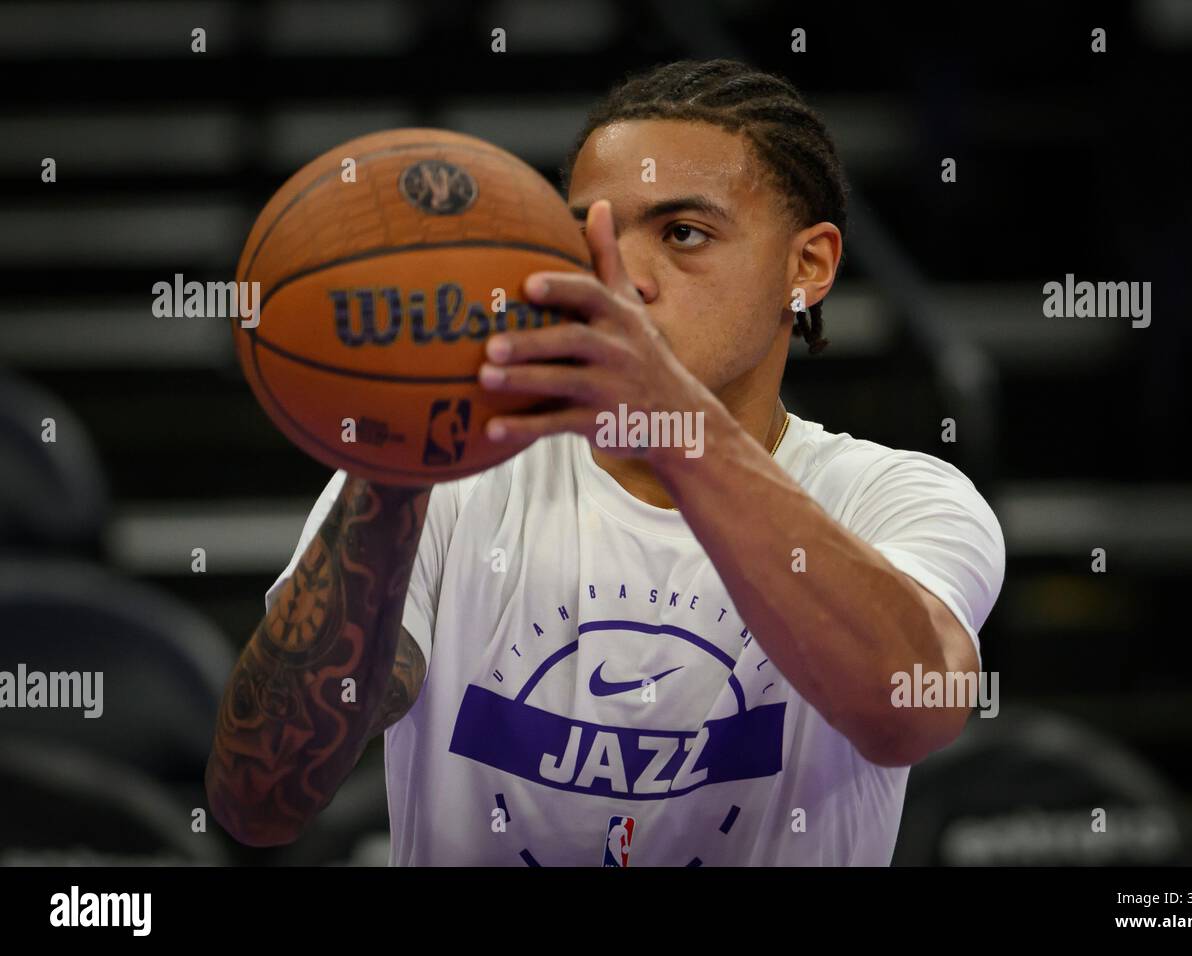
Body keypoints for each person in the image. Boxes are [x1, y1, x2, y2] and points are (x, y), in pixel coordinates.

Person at [205, 58, 1005, 866]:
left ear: (809, 267)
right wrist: (398, 459)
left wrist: (675, 423)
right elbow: (259, 799)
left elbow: (909, 711)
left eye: (683, 233)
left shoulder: (898, 496)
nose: (623, 278)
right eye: (591, 235)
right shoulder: (447, 478)